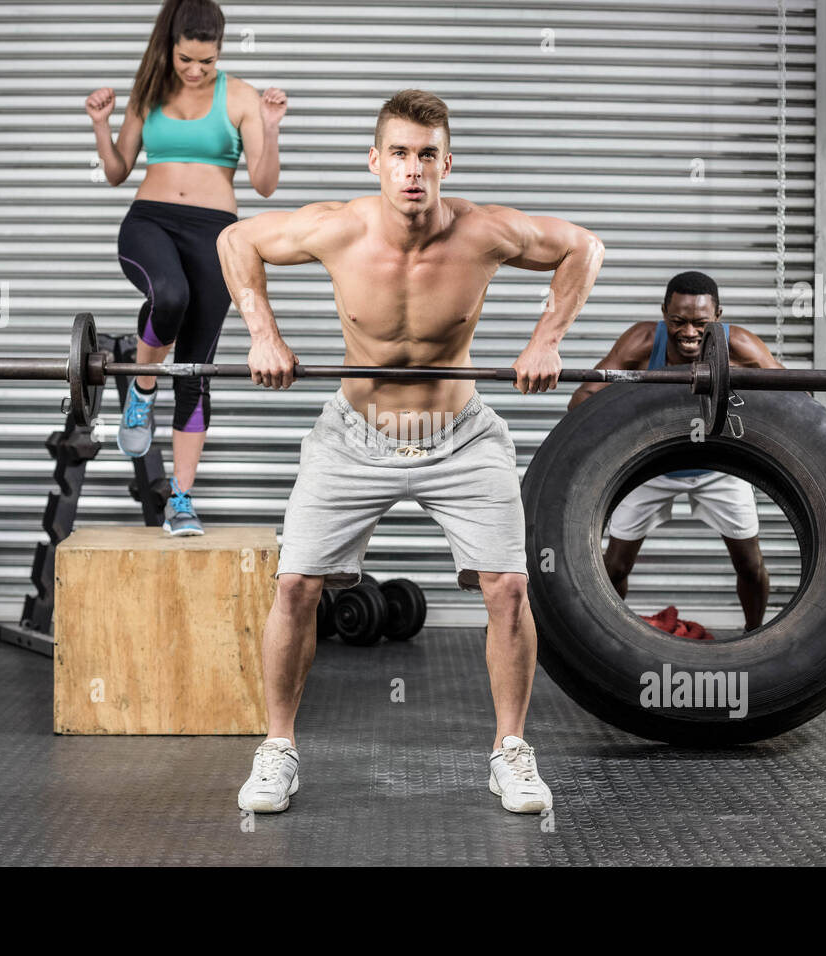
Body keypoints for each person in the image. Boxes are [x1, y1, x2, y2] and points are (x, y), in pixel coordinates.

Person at [217, 89, 604, 815]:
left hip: (458, 434)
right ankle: (278, 748)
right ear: (375, 161)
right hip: (353, 434)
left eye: (427, 154)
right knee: (296, 585)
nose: (413, 169)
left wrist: (547, 337)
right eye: (399, 154)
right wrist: (260, 332)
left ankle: (511, 751)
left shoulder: (484, 232)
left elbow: (585, 247)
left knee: (510, 588)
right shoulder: (337, 229)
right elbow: (234, 241)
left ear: (447, 162)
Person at [84, 0, 287, 535]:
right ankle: (142, 390)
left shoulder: (240, 96)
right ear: (169, 46)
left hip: (216, 236)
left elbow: (265, 184)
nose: (196, 70)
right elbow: (116, 171)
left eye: (207, 61)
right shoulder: (148, 90)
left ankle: (181, 499)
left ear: (220, 52)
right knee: (168, 296)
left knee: (195, 373)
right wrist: (101, 126)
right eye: (185, 59)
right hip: (149, 222)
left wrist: (270, 125)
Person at [568, 271, 783, 631]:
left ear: (718, 316)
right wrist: (615, 429)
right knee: (616, 565)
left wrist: (755, 405)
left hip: (719, 466)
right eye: (678, 321)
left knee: (749, 563)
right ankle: (605, 639)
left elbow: (800, 399)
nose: (688, 333)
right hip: (653, 466)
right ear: (664, 312)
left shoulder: (740, 346)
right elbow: (583, 398)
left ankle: (754, 637)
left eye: (701, 323)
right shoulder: (641, 341)